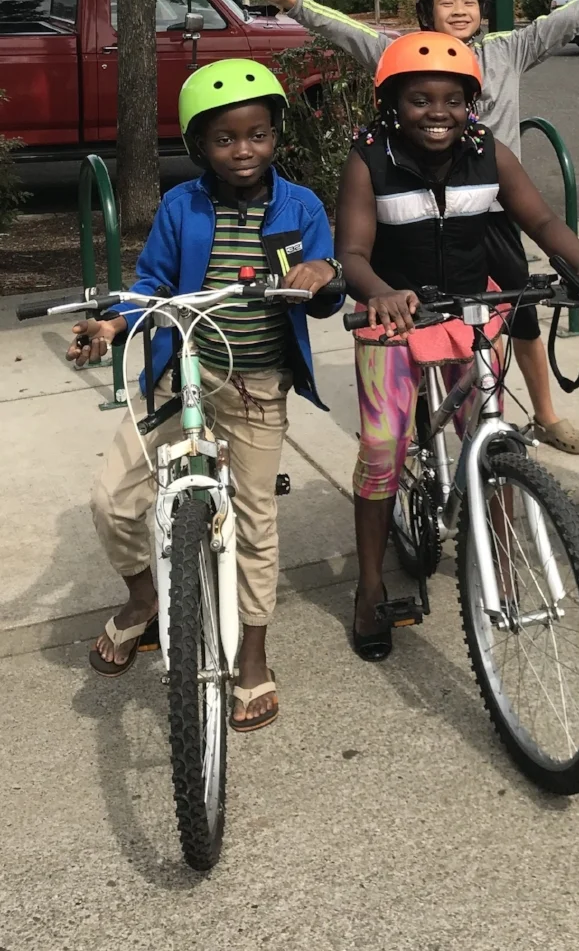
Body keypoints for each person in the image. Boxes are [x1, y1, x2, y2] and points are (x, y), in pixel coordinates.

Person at [246, 0, 579, 455]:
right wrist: (291, 1)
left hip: (493, 210)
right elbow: (346, 30)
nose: (460, 10)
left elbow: (565, 20)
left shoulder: (505, 50)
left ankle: (543, 414)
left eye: (469, 0)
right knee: (424, 311)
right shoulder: (399, 56)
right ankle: (427, 420)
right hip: (422, 211)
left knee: (518, 310)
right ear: (426, 12)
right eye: (446, 2)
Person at [67, 59, 342, 731]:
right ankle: (144, 600)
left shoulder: (299, 205)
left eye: (256, 135)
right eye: (224, 139)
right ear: (198, 147)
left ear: (275, 136)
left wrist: (323, 272)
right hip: (178, 375)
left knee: (254, 518)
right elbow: (153, 286)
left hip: (256, 385)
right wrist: (111, 323)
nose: (242, 150)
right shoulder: (180, 206)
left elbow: (328, 292)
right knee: (112, 498)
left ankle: (253, 651)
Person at [335, 31, 579, 660]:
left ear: (471, 104)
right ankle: (371, 586)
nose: (438, 113)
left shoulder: (488, 152)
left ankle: (506, 569)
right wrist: (380, 292)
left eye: (453, 100)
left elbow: (539, 220)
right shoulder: (369, 156)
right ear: (391, 104)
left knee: (492, 434)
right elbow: (351, 252)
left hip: (470, 306)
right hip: (392, 311)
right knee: (383, 448)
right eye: (419, 100)